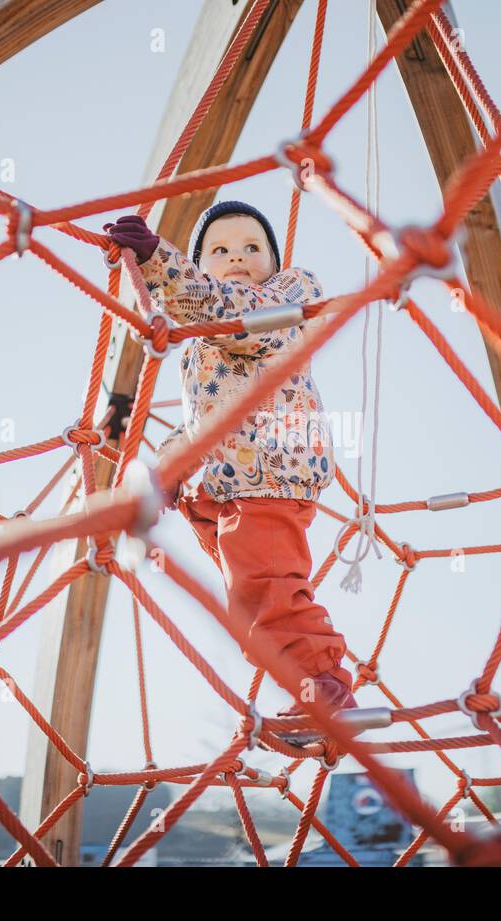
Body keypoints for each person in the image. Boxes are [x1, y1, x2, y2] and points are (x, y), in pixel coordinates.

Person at [105, 201, 356, 746]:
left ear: (274, 260)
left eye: (251, 248)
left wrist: (159, 264)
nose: (237, 257)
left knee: (269, 591)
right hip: (222, 491)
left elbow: (240, 324)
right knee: (249, 609)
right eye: (220, 250)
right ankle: (312, 702)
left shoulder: (292, 294)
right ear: (203, 264)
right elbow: (203, 424)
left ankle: (328, 691)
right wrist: (166, 471)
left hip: (269, 474)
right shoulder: (200, 348)